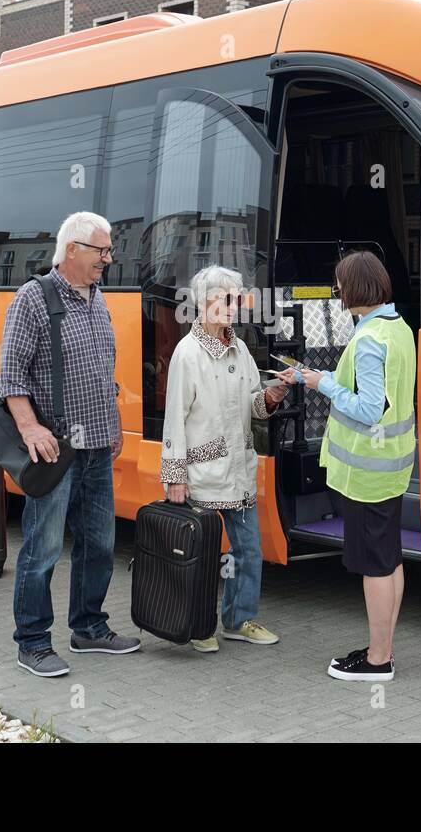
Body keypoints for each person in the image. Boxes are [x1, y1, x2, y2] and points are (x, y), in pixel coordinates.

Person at [0, 210, 140, 677]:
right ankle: (33, 641)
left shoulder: (97, 298)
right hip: (56, 449)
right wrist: (29, 428)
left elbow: (103, 370)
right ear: (73, 250)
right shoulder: (33, 298)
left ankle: (88, 628)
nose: (109, 258)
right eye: (102, 250)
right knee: (42, 548)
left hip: (99, 444)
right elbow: (11, 373)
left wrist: (115, 421)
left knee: (99, 542)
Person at [279, 251, 417, 683]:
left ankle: (378, 660)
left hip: (367, 474)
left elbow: (369, 408)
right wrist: (309, 377)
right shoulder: (396, 327)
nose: (336, 292)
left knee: (375, 566)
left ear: (354, 288)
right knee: (389, 558)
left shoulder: (369, 339)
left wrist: (324, 385)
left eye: (339, 284)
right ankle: (384, 647)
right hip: (390, 466)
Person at [160, 265, 289, 653]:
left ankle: (238, 620)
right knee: (198, 556)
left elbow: (252, 405)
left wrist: (269, 398)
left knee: (248, 550)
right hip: (201, 474)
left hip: (238, 471)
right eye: (227, 299)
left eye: (237, 299)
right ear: (203, 302)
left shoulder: (240, 347)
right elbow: (174, 420)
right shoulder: (188, 353)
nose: (235, 307)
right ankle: (198, 625)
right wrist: (174, 476)